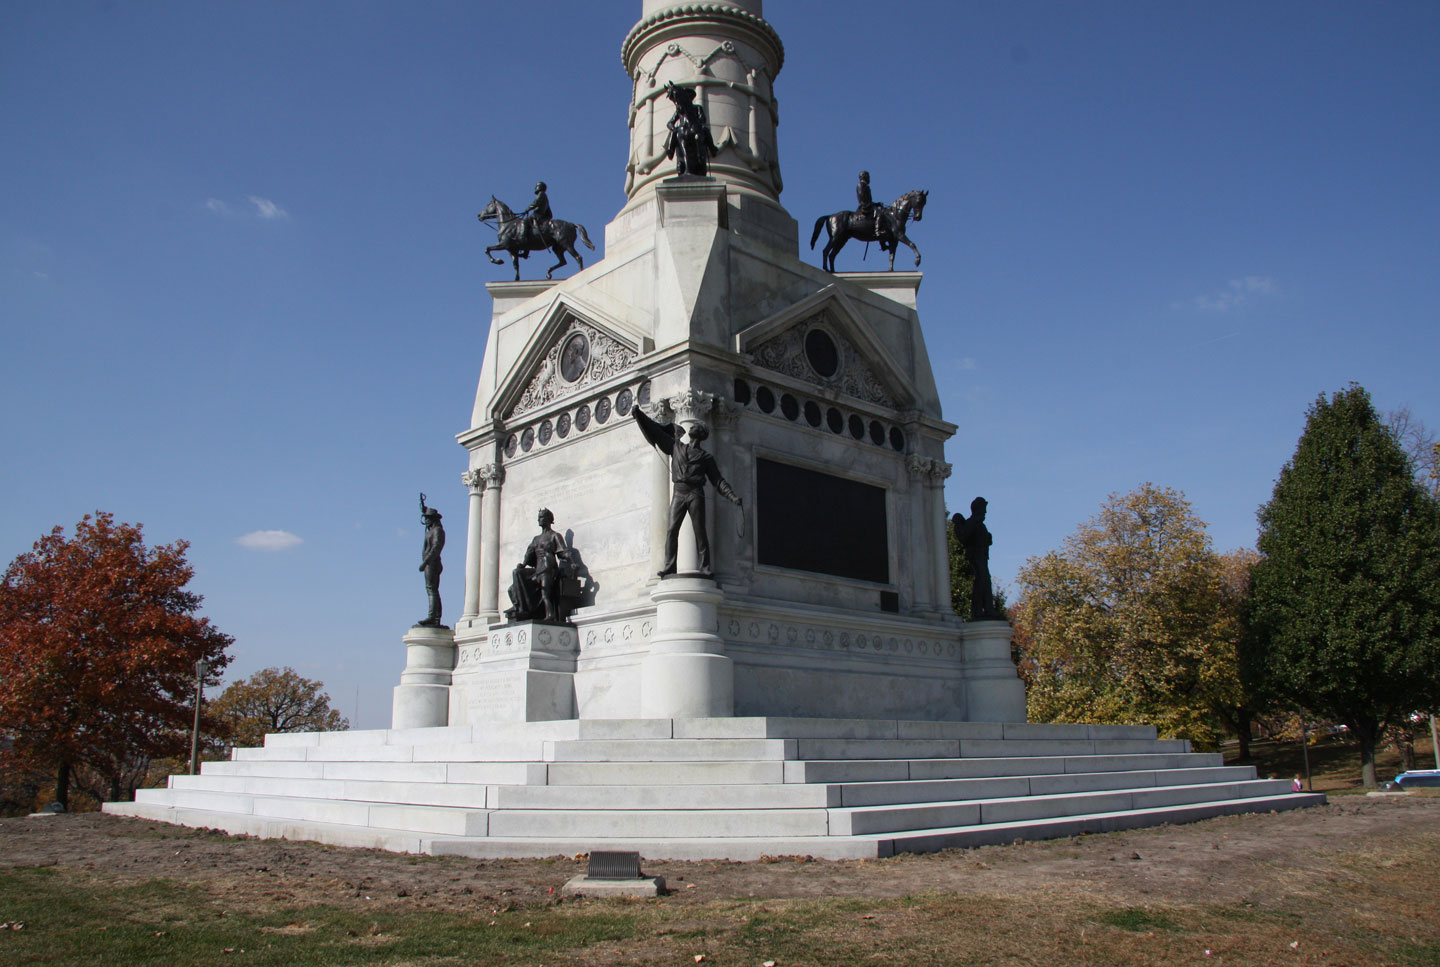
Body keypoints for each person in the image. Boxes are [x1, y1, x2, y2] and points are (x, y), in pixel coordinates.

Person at [633, 408, 741, 578]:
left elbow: (718, 481)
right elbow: (655, 432)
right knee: (671, 530)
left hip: (695, 493)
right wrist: (639, 415)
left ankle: (704, 567)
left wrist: (732, 496)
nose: (692, 428)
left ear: (701, 434)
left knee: (700, 531)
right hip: (679, 492)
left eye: (696, 427)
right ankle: (669, 567)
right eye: (693, 427)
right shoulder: (676, 446)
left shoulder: (706, 457)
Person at [505, 508, 572, 623]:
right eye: (538, 518)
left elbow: (564, 551)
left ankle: (550, 615)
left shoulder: (555, 535)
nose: (539, 520)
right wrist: (523, 564)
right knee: (516, 574)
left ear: (549, 519)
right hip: (538, 569)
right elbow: (529, 553)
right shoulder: (536, 539)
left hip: (548, 568)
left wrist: (572, 562)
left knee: (545, 592)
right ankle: (521, 607)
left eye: (541, 517)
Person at [952, 497, 998, 620]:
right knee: (983, 581)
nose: (985, 512)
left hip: (982, 556)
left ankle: (986, 609)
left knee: (983, 581)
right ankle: (982, 610)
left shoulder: (979, 524)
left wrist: (988, 538)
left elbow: (986, 540)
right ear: (978, 509)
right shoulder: (973, 522)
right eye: (984, 509)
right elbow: (965, 536)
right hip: (976, 556)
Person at [663, 82, 718, 176]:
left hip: (696, 127)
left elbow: (703, 119)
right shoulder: (679, 112)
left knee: (705, 130)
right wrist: (673, 128)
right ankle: (670, 150)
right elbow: (669, 123)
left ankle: (712, 148)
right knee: (675, 133)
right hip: (682, 129)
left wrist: (697, 122)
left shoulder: (697, 108)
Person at [417, 495, 446, 627]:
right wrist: (424, 508)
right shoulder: (431, 531)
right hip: (429, 563)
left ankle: (434, 617)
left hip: (432, 563)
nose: (426, 520)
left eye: (428, 518)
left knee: (432, 590)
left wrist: (425, 562)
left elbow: (436, 548)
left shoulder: (438, 531)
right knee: (430, 589)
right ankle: (432, 616)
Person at [856, 170, 891, 252]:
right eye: (868, 177)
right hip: (864, 206)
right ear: (864, 177)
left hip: (868, 205)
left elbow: (869, 200)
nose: (869, 178)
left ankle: (882, 244)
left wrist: (877, 204)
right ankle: (877, 231)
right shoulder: (861, 185)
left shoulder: (866, 186)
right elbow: (863, 198)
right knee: (880, 214)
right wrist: (871, 205)